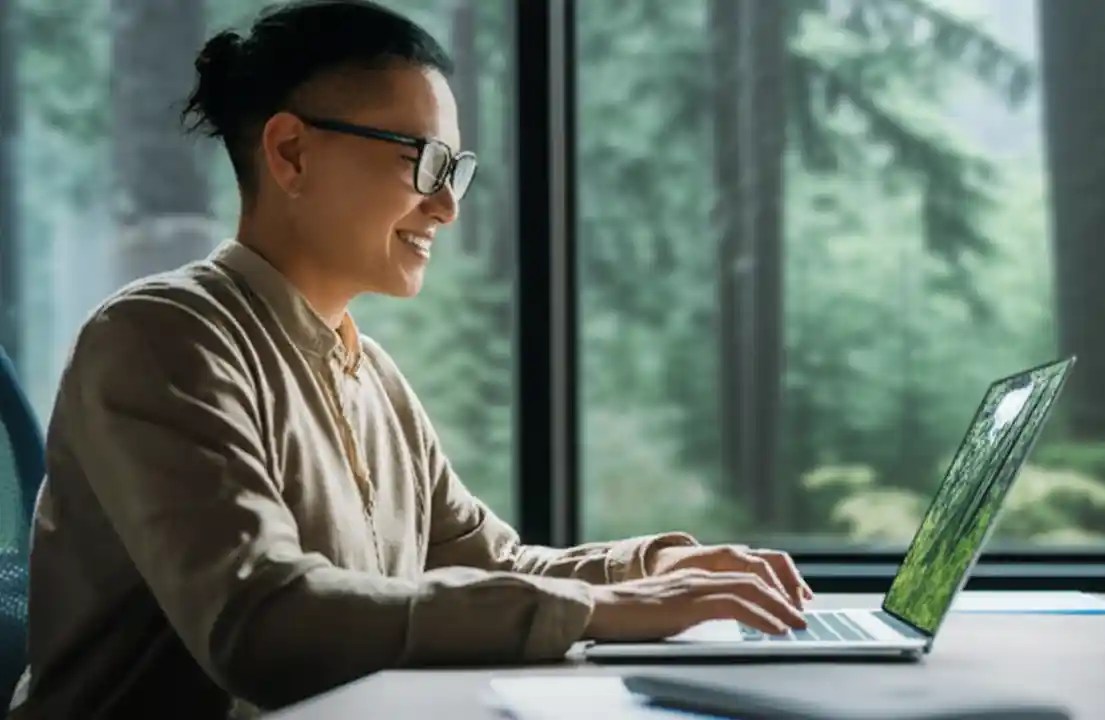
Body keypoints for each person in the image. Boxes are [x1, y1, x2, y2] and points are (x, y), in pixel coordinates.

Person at [8, 1, 812, 717]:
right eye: (422, 160)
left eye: (455, 168)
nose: (449, 204)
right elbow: (261, 623)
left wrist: (651, 568)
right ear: (290, 153)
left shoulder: (371, 375)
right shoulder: (163, 340)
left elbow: (495, 564)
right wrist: (600, 612)